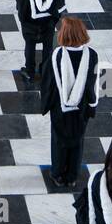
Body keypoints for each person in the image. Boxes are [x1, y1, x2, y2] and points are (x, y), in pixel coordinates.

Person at [39, 15, 98, 188]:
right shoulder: (92, 55)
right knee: (78, 140)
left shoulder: (56, 55)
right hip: (82, 108)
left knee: (58, 141)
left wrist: (46, 105)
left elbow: (48, 83)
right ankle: (72, 176)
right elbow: (91, 83)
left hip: (60, 108)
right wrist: (91, 106)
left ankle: (57, 174)